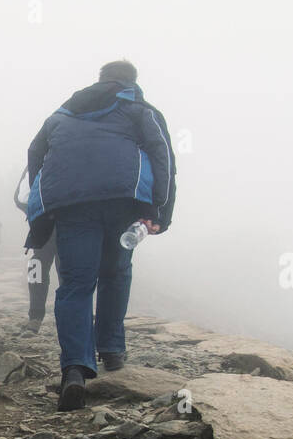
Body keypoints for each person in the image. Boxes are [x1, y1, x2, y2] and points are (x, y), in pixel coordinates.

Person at [23, 59, 176, 411]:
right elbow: (163, 156)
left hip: (72, 205)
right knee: (115, 272)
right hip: (124, 201)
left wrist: (45, 196)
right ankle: (111, 349)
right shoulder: (139, 109)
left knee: (76, 283)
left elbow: (35, 152)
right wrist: (159, 211)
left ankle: (74, 370)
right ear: (131, 81)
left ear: (100, 79)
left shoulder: (62, 113)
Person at [14, 167, 57, 333]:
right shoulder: (77, 155)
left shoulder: (37, 159)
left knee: (36, 269)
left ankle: (35, 318)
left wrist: (36, 213)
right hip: (71, 227)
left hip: (42, 228)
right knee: (68, 275)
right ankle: (72, 321)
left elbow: (20, 198)